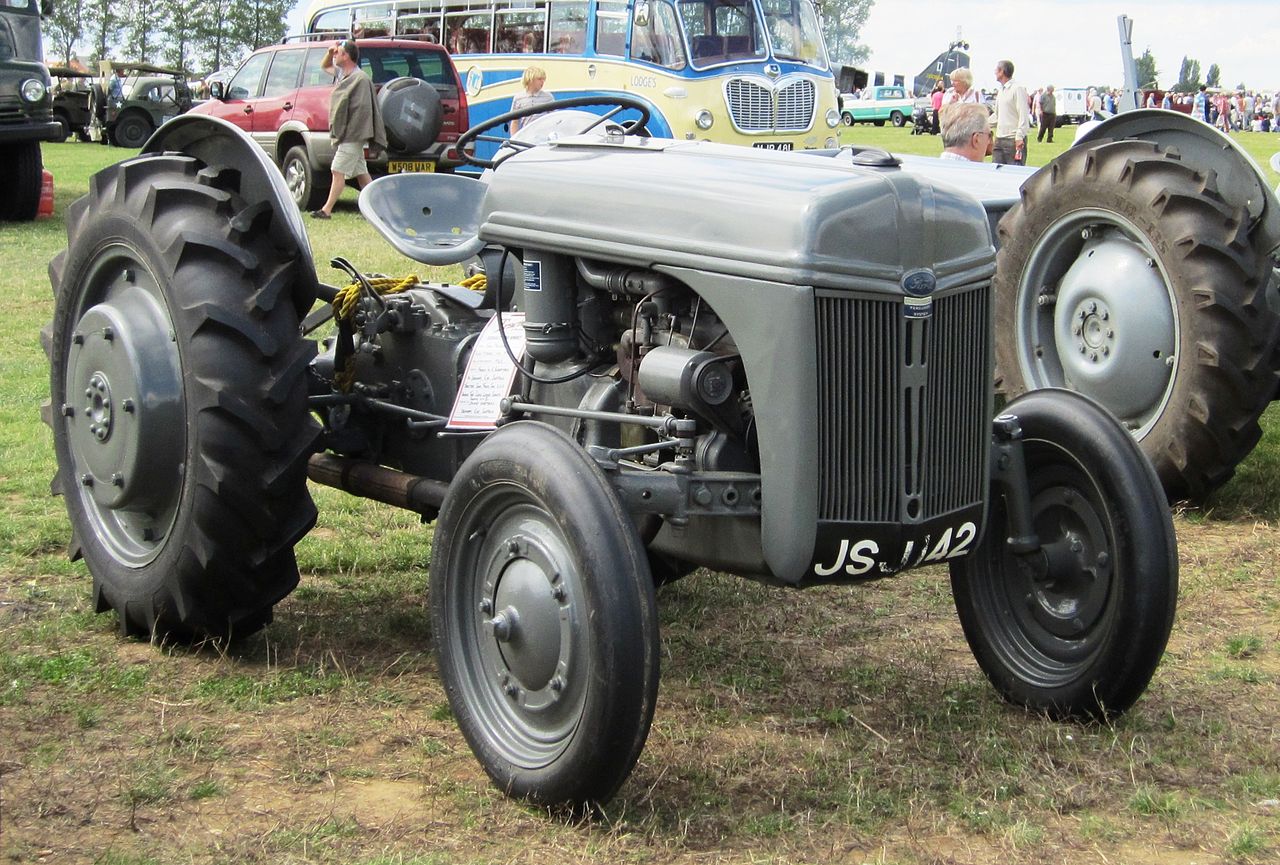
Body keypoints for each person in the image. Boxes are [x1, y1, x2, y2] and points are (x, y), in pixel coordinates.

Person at [311, 40, 386, 219]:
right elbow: (324, 66)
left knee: (337, 170)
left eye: (339, 53)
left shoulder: (360, 79)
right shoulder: (342, 74)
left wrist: (348, 132)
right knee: (362, 173)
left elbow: (362, 111)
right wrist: (330, 53)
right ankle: (379, 210)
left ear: (347, 56)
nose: (336, 55)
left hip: (353, 134)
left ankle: (326, 210)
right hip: (348, 134)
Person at [991, 59, 1029, 165]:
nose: (994, 72)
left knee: (1014, 173)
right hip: (999, 139)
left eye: (996, 70)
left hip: (1013, 140)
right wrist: (982, 124)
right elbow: (997, 115)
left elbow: (1023, 114)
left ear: (1002, 71)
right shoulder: (1001, 91)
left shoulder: (1017, 89)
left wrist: (1019, 136)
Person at [509, 66, 553, 134]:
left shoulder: (548, 97)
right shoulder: (519, 98)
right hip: (527, 136)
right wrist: (514, 139)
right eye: (539, 79)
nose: (542, 82)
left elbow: (553, 118)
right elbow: (515, 122)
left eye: (543, 79)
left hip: (543, 136)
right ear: (530, 79)